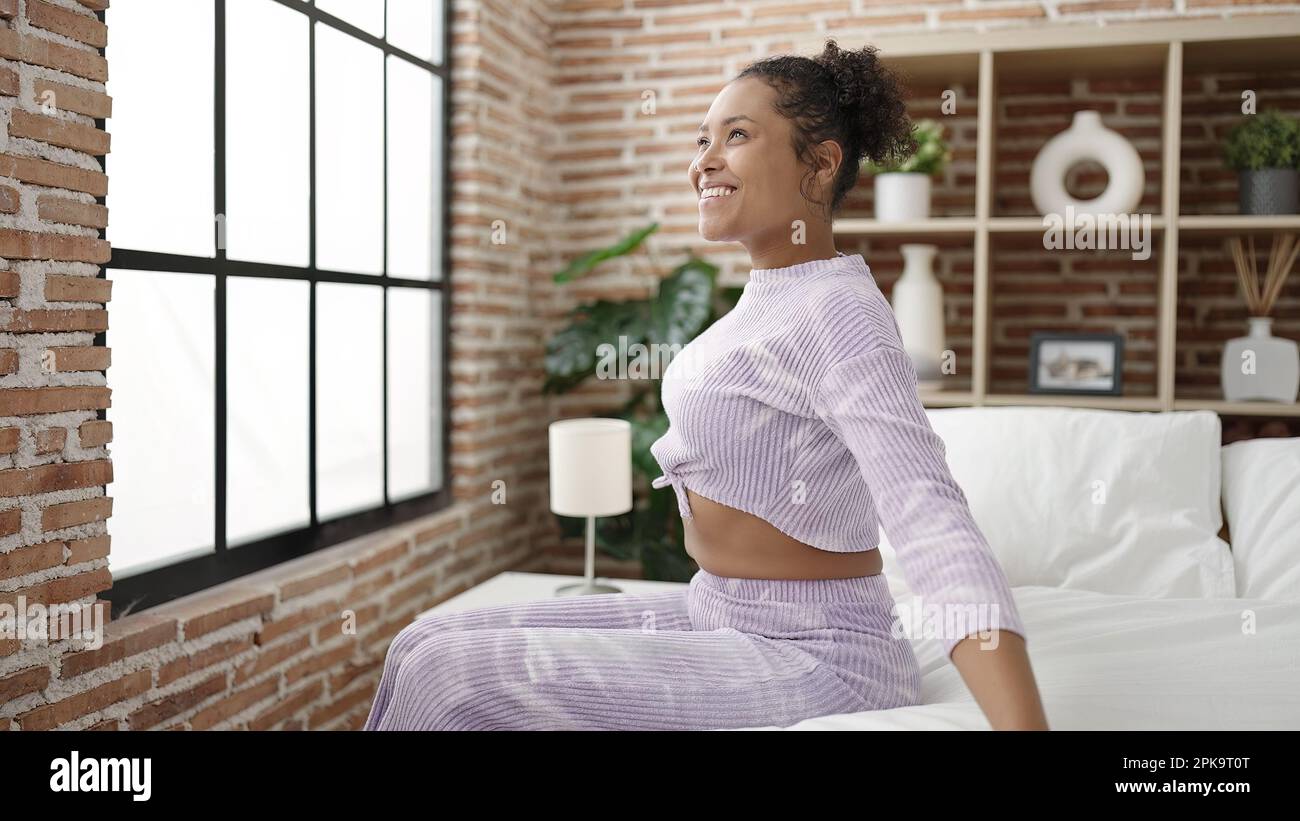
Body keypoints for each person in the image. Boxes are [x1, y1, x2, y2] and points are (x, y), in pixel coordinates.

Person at [364, 39, 1049, 731]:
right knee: (422, 640)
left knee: (444, 676)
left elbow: (929, 515)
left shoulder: (838, 309)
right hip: (713, 604)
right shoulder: (767, 294)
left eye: (738, 136)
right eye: (702, 139)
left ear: (820, 165)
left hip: (818, 651)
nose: (703, 161)